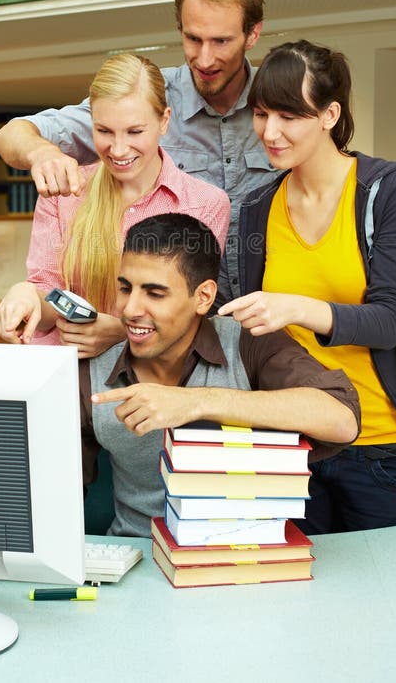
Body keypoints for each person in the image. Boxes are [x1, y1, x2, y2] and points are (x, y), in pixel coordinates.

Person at [217, 39, 396, 535]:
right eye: (260, 114)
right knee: (297, 597)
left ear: (329, 114)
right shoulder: (258, 207)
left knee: (384, 600)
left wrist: (297, 308)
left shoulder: (389, 192)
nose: (269, 132)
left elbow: (391, 322)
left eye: (288, 116)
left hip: (381, 442)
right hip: (293, 440)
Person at [0, 0, 278, 305]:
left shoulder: (279, 106)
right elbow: (11, 135)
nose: (204, 59)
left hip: (262, 317)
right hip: (171, 329)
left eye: (221, 41)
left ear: (253, 34)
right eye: (193, 39)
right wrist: (43, 153)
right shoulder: (144, 101)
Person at [80, 213, 361, 538]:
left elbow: (341, 420)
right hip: (136, 559)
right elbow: (55, 492)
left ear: (203, 297)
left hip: (242, 563)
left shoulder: (249, 343)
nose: (130, 309)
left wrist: (196, 403)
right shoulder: (92, 370)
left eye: (155, 294)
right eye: (125, 288)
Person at [0, 53, 230, 357]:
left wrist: (121, 333)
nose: (118, 149)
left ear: (164, 121)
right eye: (104, 131)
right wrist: (27, 296)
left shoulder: (205, 204)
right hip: (65, 377)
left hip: (153, 383)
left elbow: (193, 316)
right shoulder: (65, 192)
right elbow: (49, 294)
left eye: (135, 131)